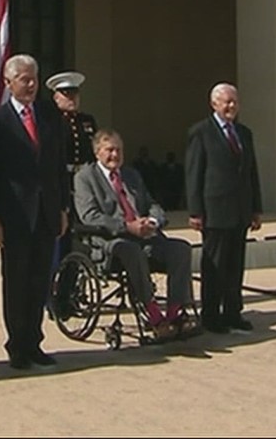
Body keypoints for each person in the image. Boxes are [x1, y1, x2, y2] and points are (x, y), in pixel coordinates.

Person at [0, 54, 70, 370]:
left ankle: (34, 342)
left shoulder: (48, 116)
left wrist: (62, 207)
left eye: (33, 79)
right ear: (8, 83)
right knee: (16, 282)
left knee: (39, 280)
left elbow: (58, 166)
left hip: (46, 212)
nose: (30, 85)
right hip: (14, 215)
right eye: (24, 79)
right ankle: (16, 345)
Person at [73, 130, 197, 339]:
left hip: (145, 236)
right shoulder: (85, 178)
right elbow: (90, 216)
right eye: (110, 150)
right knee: (131, 250)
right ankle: (154, 315)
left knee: (180, 249)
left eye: (119, 150)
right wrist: (127, 226)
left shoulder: (131, 175)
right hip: (111, 241)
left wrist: (153, 221)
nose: (115, 155)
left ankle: (175, 313)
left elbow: (151, 203)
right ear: (97, 153)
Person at [184, 82, 263, 335]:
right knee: (215, 265)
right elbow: (194, 173)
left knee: (235, 264)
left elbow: (252, 172)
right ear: (214, 104)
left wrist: (255, 208)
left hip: (240, 210)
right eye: (226, 102)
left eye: (234, 102)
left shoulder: (244, 133)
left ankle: (232, 312)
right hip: (214, 210)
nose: (231, 106)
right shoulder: (201, 132)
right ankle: (211, 315)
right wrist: (195, 211)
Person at [44, 70, 98, 318]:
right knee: (59, 243)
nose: (72, 98)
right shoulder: (50, 121)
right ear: (55, 96)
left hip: (83, 185)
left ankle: (72, 293)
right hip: (61, 183)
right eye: (66, 94)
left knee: (79, 242)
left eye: (74, 93)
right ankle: (52, 297)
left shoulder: (87, 121)